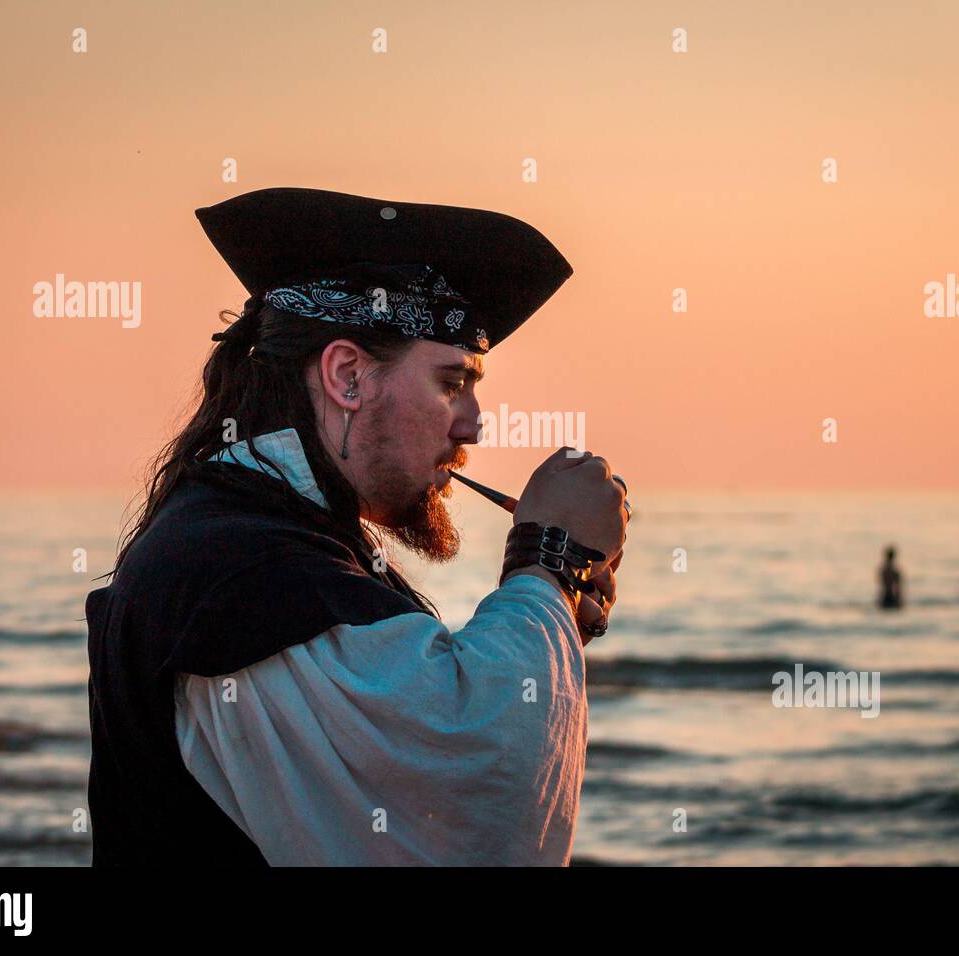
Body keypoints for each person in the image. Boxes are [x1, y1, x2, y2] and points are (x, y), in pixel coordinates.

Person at [85, 187, 629, 866]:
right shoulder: (249, 571)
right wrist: (551, 564)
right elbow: (470, 798)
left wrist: (556, 597)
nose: (473, 424)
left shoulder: (255, 535)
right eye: (452, 382)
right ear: (347, 376)